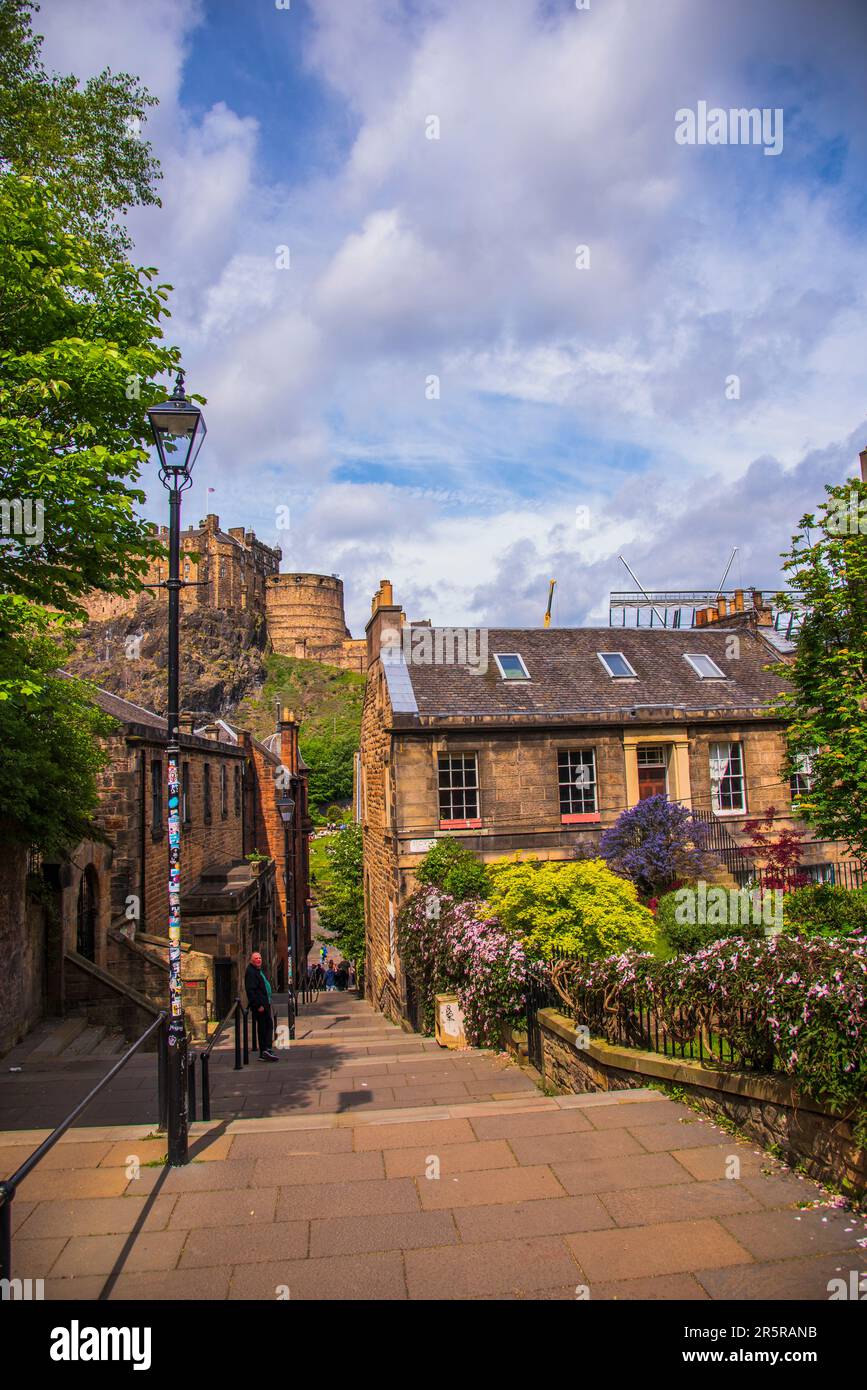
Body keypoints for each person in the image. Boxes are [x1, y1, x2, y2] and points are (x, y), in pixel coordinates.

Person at [245, 951, 278, 1062]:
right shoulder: (251, 972)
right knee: (264, 1028)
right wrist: (258, 1005)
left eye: (260, 958)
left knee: (268, 1026)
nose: (259, 960)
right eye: (256, 958)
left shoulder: (256, 970)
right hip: (260, 1005)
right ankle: (264, 1051)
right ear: (251, 960)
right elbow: (251, 990)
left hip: (265, 1004)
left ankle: (266, 1049)